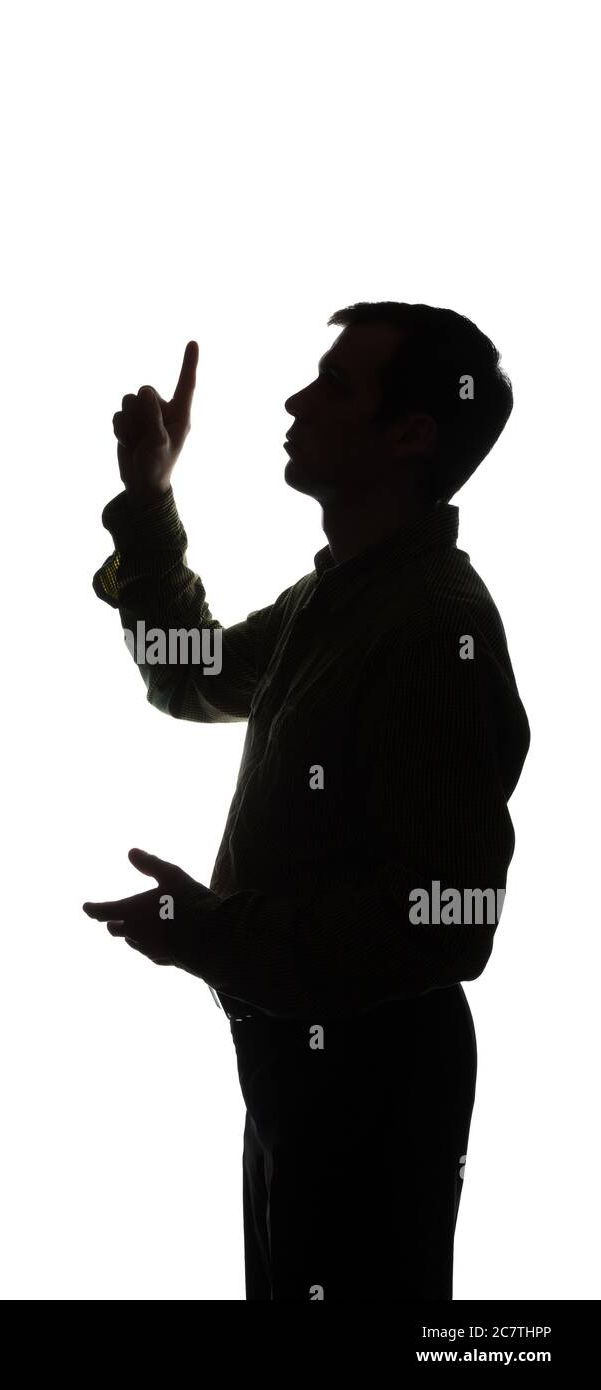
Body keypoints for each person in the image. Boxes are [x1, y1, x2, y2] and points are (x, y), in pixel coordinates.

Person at [83, 302, 530, 1301]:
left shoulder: (433, 625)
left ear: (409, 433)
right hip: (303, 1072)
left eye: (334, 385)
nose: (294, 401)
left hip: (370, 1087)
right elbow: (186, 671)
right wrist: (148, 495)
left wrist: (208, 928)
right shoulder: (334, 600)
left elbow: (445, 920)